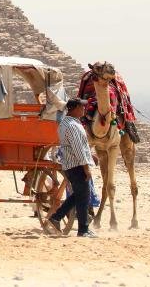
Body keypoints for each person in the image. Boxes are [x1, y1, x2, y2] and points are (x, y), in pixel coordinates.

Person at [47, 97, 99, 237]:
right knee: (84, 197)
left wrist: (90, 156)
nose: (84, 109)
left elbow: (81, 146)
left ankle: (57, 217)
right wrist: (86, 168)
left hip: (70, 165)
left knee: (79, 195)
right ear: (75, 108)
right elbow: (78, 149)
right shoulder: (73, 126)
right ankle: (83, 230)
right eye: (82, 107)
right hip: (77, 166)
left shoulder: (66, 123)